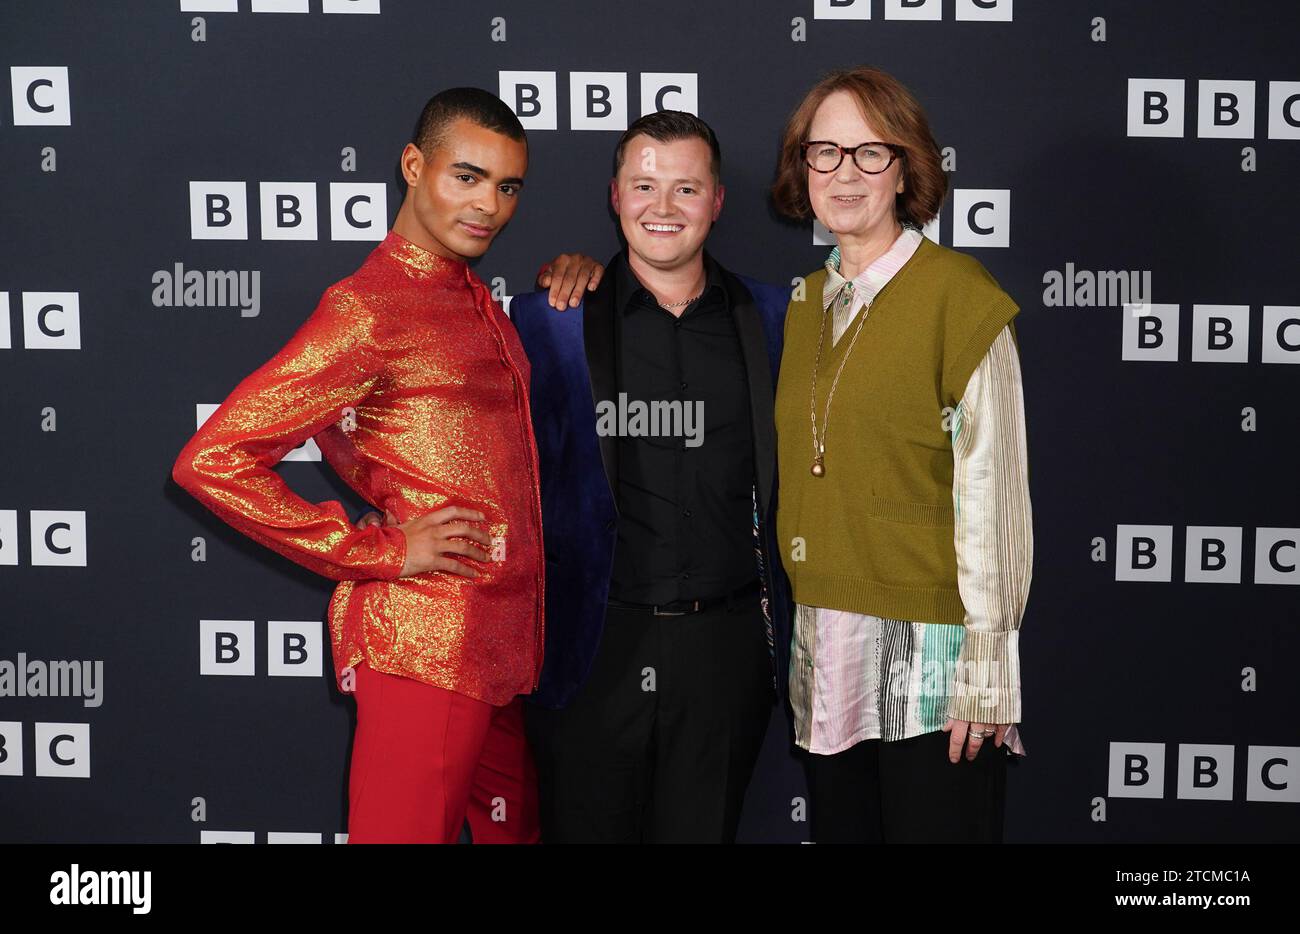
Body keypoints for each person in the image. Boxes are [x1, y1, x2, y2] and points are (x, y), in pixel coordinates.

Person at [172, 87, 591, 844]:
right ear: (412, 166)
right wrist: (381, 549)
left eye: (507, 186)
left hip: (503, 652)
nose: (488, 205)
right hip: (425, 648)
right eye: (466, 176)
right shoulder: (367, 309)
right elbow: (215, 459)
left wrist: (580, 273)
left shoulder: (477, 300)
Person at [509, 111, 794, 842]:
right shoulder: (552, 319)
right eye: (644, 185)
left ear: (718, 202)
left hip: (723, 652)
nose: (662, 207)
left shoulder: (774, 320)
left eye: (686, 188)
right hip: (593, 649)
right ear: (614, 195)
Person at [770, 66, 1033, 843]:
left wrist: (988, 666)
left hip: (936, 661)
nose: (844, 173)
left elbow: (996, 491)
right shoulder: (803, 303)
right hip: (827, 651)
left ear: (906, 167)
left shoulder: (959, 293)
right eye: (825, 152)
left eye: (869, 153)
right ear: (801, 168)